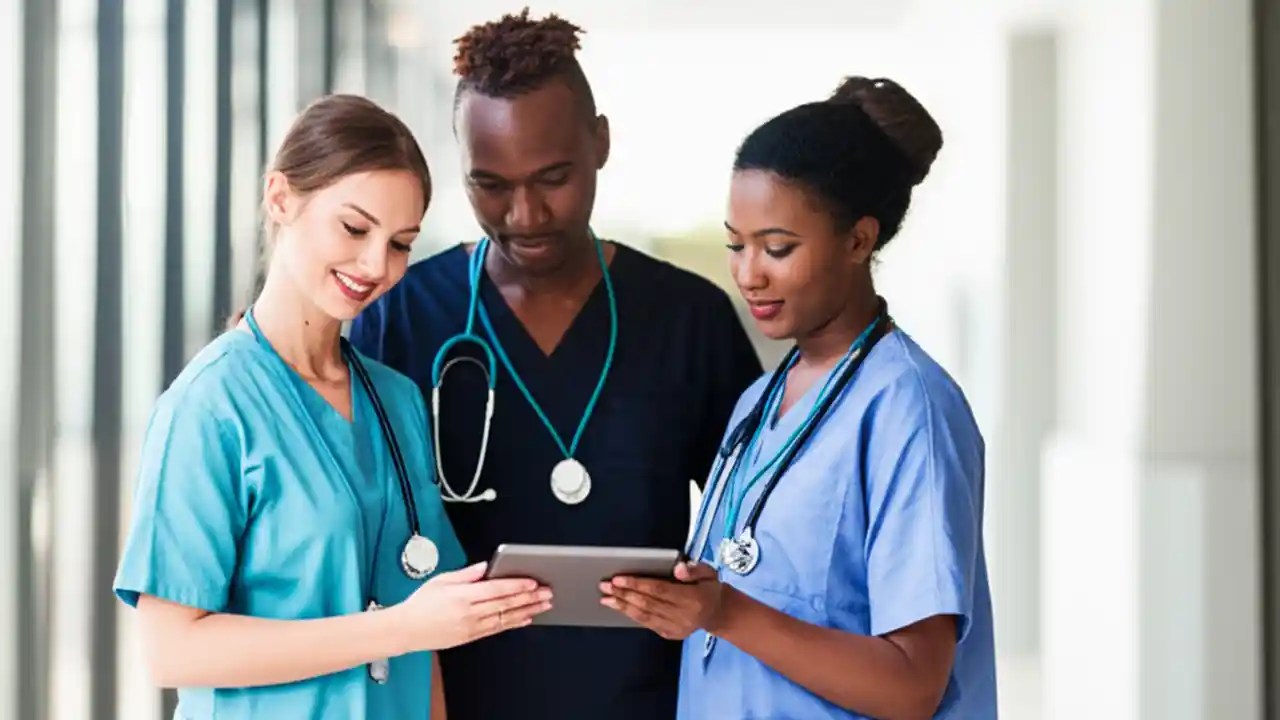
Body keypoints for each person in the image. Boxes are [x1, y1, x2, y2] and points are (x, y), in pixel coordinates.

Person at [348, 9, 763, 720]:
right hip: (451, 701)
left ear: (600, 141)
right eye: (491, 184)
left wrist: (708, 597)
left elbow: (754, 530)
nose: (525, 214)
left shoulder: (689, 320)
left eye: (553, 177)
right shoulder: (400, 316)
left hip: (643, 702)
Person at [112, 94, 553, 720]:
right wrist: (397, 629)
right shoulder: (210, 407)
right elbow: (171, 650)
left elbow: (424, 643)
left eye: (400, 243)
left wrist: (418, 633)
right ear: (280, 199)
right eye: (354, 228)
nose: (376, 264)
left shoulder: (396, 401)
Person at [601, 77, 998, 719]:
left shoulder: (909, 409)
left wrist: (725, 612)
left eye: (778, 248)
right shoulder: (759, 401)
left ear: (859, 240)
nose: (748, 273)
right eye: (736, 245)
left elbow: (911, 686)